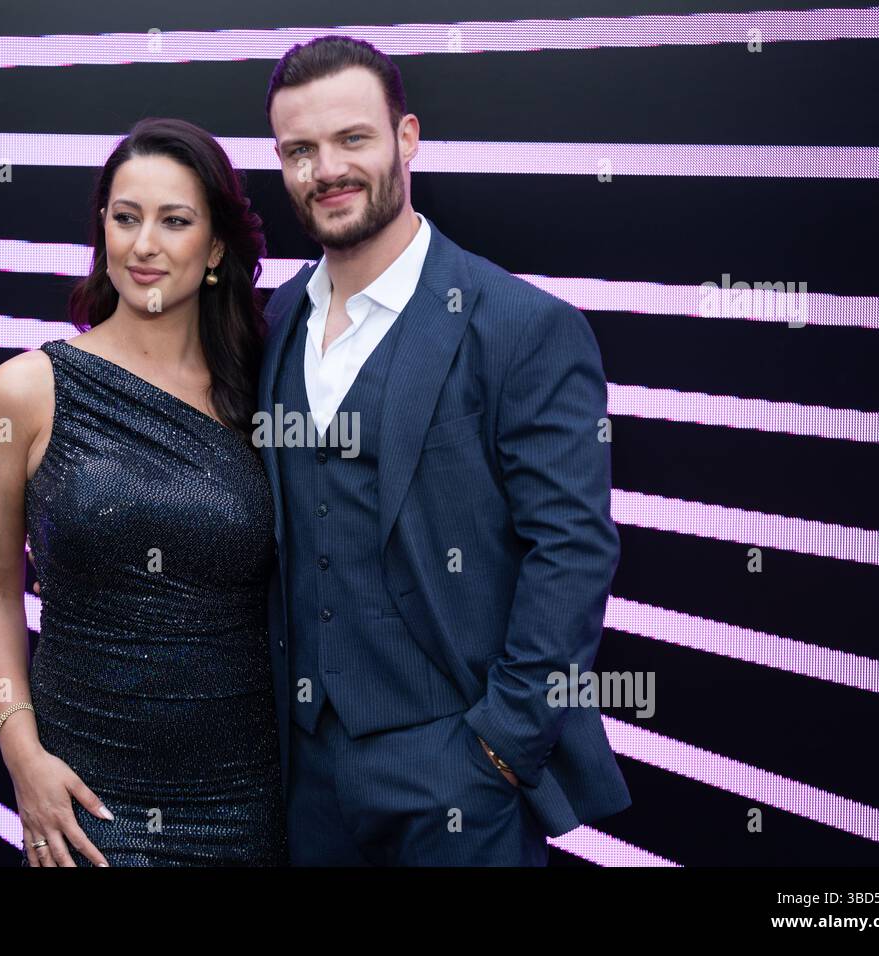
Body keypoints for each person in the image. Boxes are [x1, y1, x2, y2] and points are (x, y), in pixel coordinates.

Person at [258, 36, 632, 865]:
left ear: (407, 137)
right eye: (300, 150)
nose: (327, 170)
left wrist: (500, 745)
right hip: (300, 778)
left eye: (352, 139)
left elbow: (571, 549)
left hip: (458, 773)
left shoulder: (523, 326)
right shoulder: (270, 325)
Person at [0, 117, 287, 866]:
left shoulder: (263, 397)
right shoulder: (25, 391)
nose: (144, 246)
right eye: (126, 217)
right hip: (86, 805)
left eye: (174, 222)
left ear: (213, 249)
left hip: (250, 803)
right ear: (102, 229)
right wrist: (22, 755)